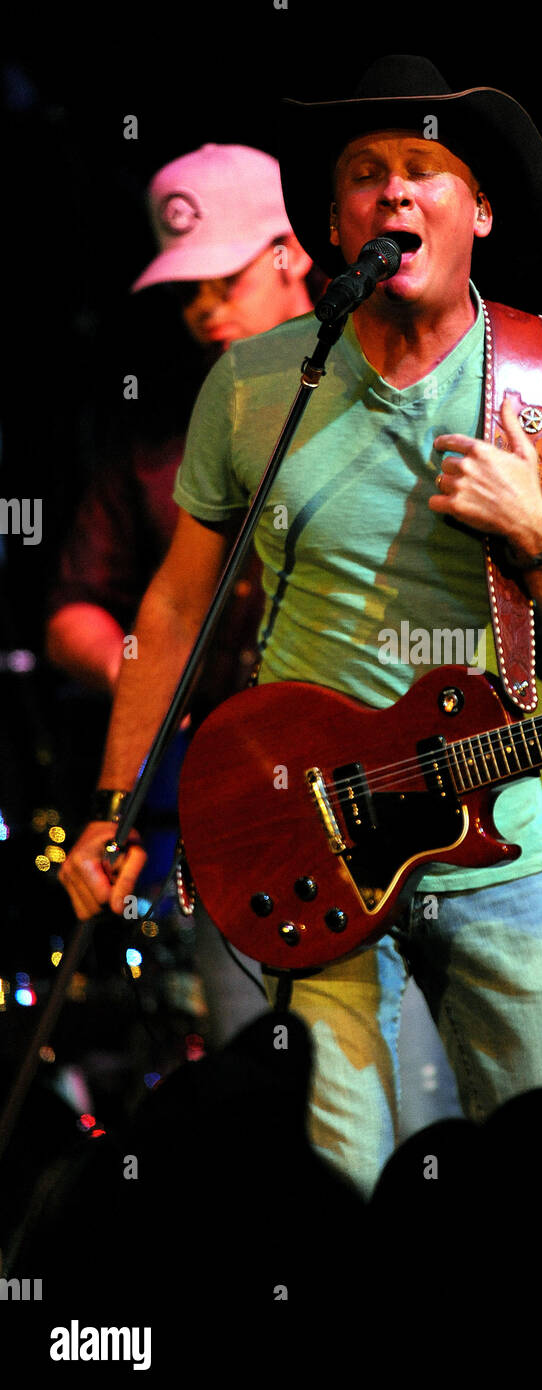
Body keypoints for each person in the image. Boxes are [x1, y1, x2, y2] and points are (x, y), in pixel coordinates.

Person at [59, 57, 542, 1198]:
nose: (394, 194)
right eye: (366, 175)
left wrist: (536, 534)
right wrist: (112, 805)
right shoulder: (254, 381)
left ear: (477, 210)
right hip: (309, 839)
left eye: (425, 170)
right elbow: (173, 608)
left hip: (498, 849)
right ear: (331, 224)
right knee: (331, 1184)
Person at [46, 144, 315, 1046]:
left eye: (224, 279)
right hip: (229, 805)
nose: (203, 308)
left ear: (293, 252)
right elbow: (79, 606)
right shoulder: (161, 431)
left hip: (372, 781)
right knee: (259, 1086)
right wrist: (140, 677)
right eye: (187, 291)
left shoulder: (376, 393)